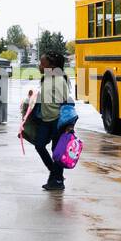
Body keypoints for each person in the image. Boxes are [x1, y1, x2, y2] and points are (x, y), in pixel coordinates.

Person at [29, 51, 74, 191]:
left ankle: (57, 181)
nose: (39, 65)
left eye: (42, 63)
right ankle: (54, 173)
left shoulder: (60, 80)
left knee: (57, 151)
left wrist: (69, 125)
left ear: (52, 65)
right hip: (45, 120)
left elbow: (67, 103)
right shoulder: (45, 79)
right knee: (39, 145)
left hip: (57, 121)